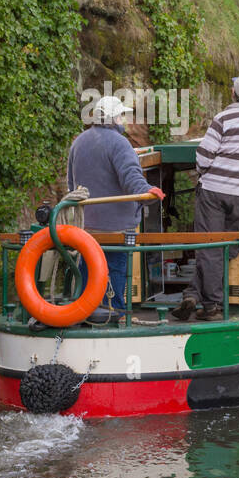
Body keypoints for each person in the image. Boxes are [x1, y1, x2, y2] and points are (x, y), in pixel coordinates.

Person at [173, 73, 239, 321]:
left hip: (213, 192)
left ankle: (209, 305)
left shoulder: (223, 118)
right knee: (230, 246)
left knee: (209, 248)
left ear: (232, 93)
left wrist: (206, 174)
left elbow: (204, 156)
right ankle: (195, 294)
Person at [66, 95, 164, 321]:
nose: (124, 120)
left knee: (88, 271)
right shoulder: (120, 143)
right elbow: (132, 181)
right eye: (122, 115)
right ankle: (116, 314)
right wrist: (150, 192)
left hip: (85, 227)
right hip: (115, 228)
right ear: (113, 118)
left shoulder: (78, 142)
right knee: (116, 271)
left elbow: (72, 186)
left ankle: (83, 313)